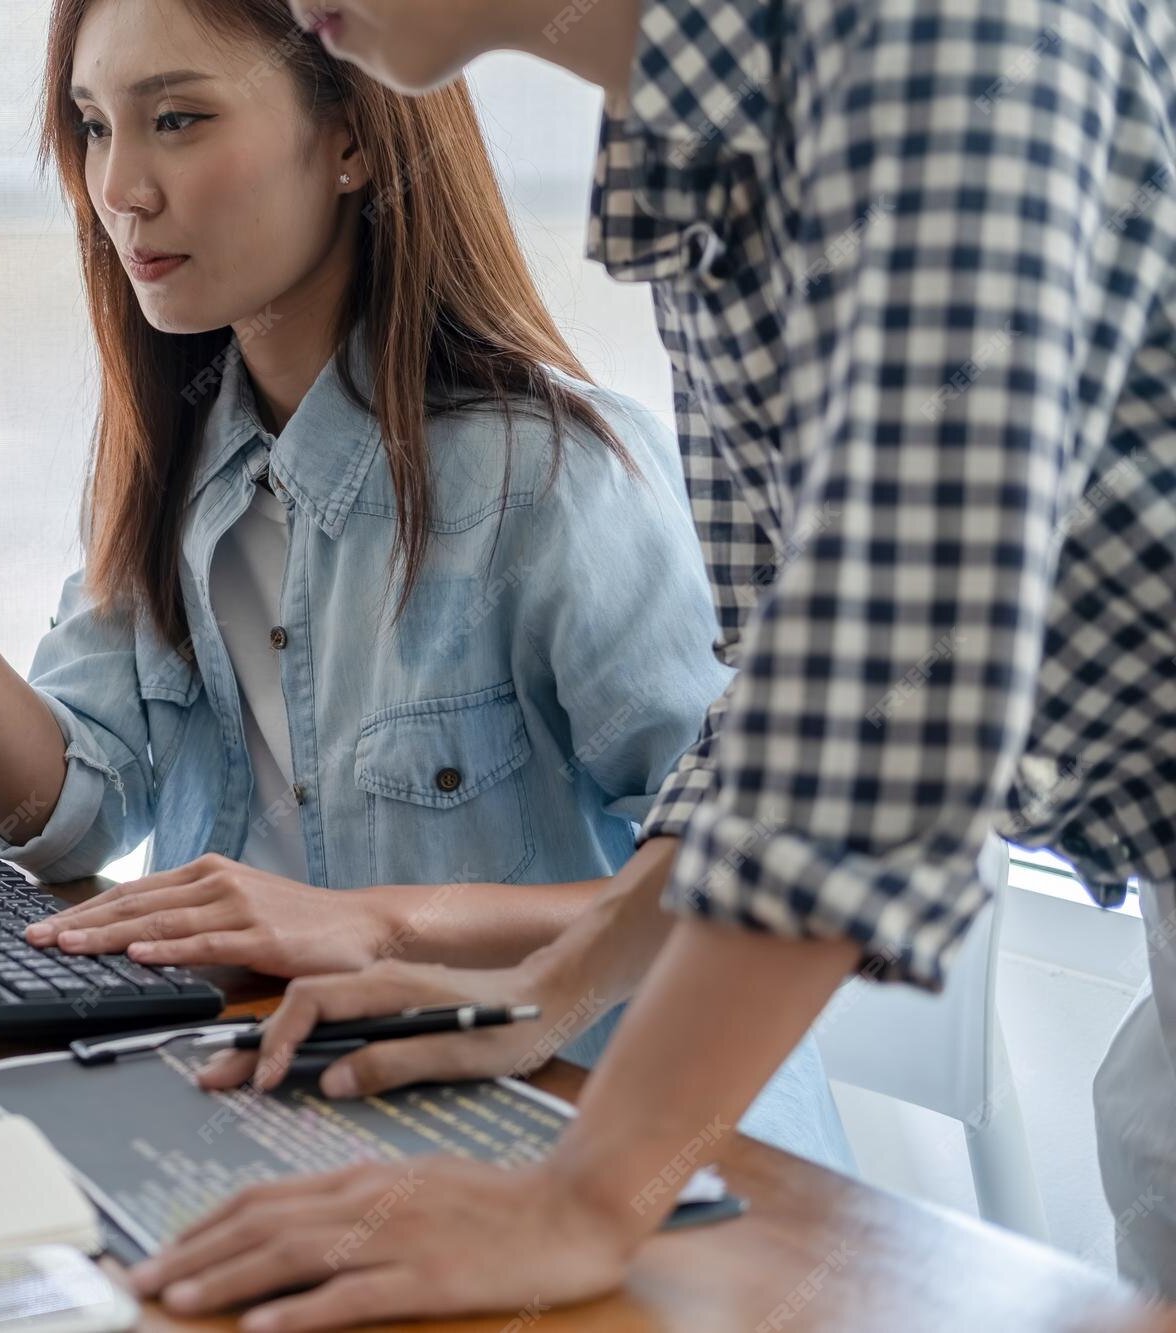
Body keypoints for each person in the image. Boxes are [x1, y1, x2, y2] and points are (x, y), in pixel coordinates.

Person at [0, 0, 852, 1166]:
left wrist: (375, 923)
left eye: (175, 120)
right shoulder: (179, 460)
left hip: (608, 1149)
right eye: (91, 125)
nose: (119, 188)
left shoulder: (553, 478)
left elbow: (747, 870)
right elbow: (64, 817)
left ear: (347, 137)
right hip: (304, 1112)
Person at [127, 0, 1176, 1327]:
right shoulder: (715, 143)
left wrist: (584, 1195)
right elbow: (798, 690)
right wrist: (547, 984)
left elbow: (895, 674)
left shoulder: (947, 34)